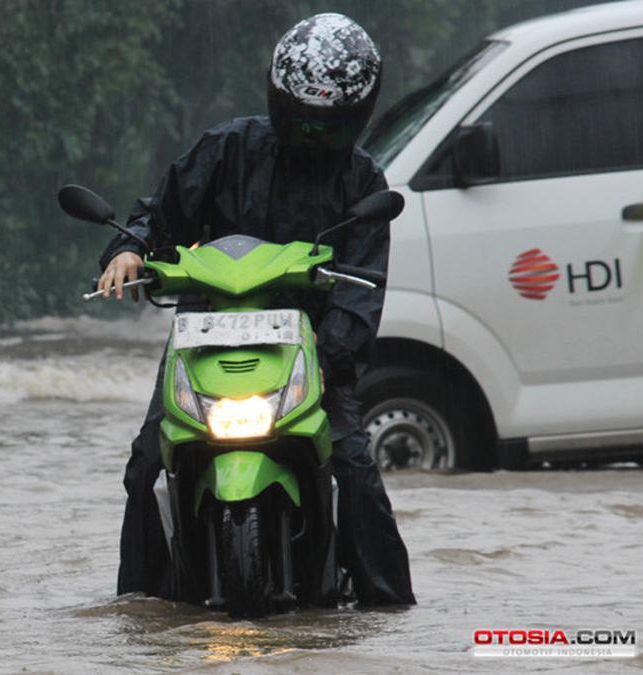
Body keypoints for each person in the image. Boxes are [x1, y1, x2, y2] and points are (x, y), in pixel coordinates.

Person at [97, 13, 415, 607]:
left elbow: (363, 292)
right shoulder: (227, 149)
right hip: (205, 338)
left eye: (328, 125)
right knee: (146, 465)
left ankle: (389, 611)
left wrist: (327, 358)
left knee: (354, 469)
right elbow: (159, 213)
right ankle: (140, 609)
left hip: (310, 352)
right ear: (275, 101)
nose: (311, 135)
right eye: (300, 120)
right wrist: (129, 249)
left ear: (358, 116)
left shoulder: (363, 184)